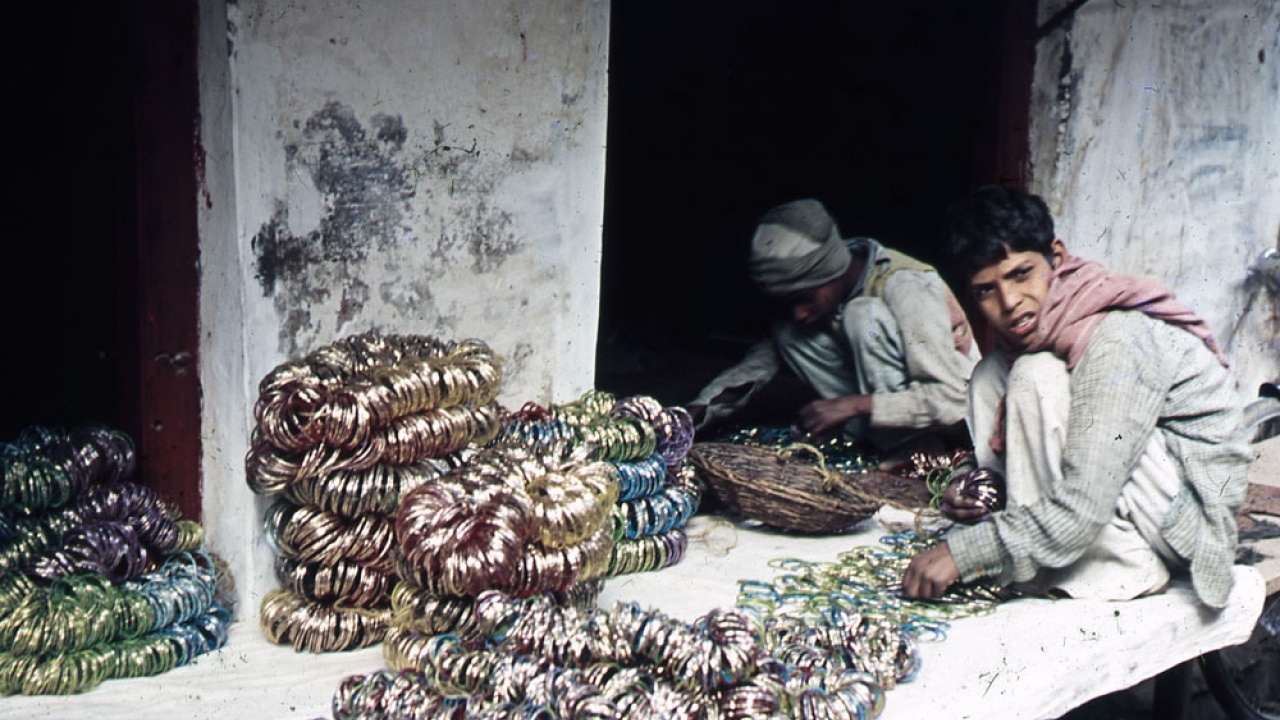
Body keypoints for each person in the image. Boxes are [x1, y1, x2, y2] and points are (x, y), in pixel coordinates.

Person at [903, 186, 1251, 609]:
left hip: (1184, 525)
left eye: (1021, 274)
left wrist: (963, 554)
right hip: (1112, 501)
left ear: (1057, 257)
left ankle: (1122, 565)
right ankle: (1044, 553)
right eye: (985, 290)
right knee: (991, 374)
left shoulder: (1117, 338)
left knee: (1034, 375)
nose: (1010, 302)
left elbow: (1084, 503)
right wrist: (972, 486)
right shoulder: (1038, 335)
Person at [688, 198, 980, 453]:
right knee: (786, 332)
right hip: (883, 417)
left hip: (952, 421)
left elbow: (952, 401)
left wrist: (852, 405)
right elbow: (757, 366)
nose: (799, 313)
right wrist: (697, 411)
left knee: (861, 316)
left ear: (832, 270)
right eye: (788, 303)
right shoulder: (823, 294)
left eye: (804, 299)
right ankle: (871, 440)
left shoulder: (905, 287)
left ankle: (915, 446)